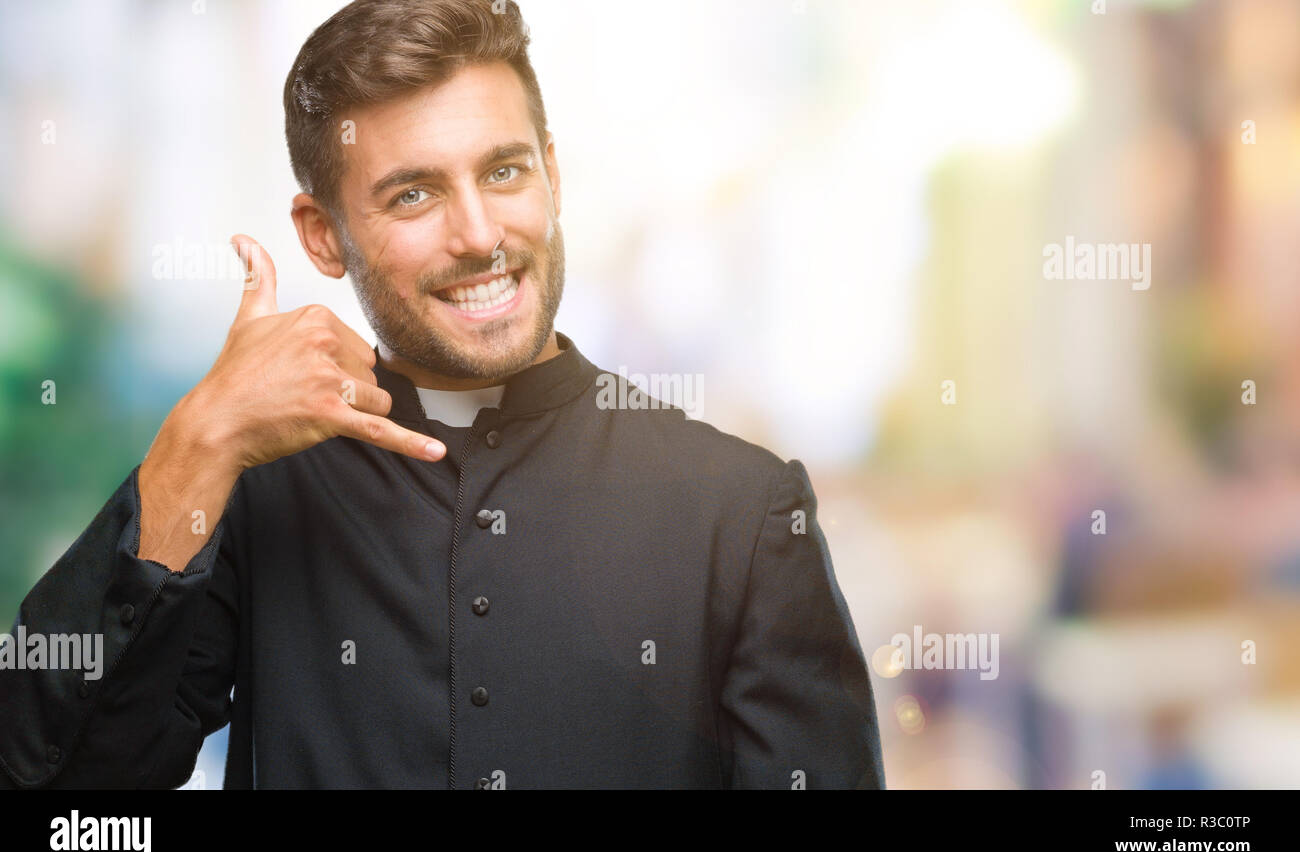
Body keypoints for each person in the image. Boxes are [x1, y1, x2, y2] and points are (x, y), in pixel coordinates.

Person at [0, 0, 885, 789]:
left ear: (552, 176)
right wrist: (198, 438)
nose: (478, 234)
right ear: (322, 235)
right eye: (414, 194)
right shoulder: (253, 493)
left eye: (503, 172)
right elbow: (55, 783)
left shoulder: (743, 514)